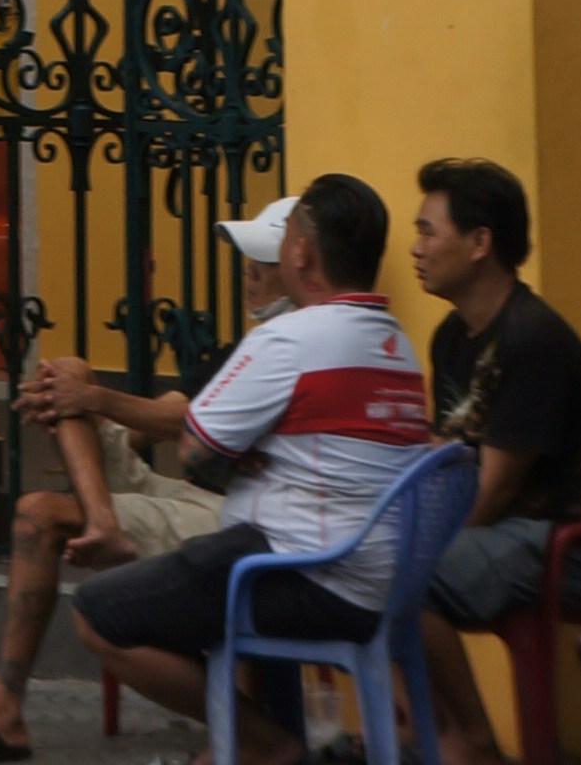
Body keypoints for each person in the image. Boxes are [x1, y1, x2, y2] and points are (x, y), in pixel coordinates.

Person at [68, 176, 435, 765]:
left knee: (99, 614)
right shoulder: (396, 345)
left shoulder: (290, 338)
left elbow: (193, 450)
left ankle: (265, 745)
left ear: (300, 253)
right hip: (380, 576)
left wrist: (247, 450)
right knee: (197, 568)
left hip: (304, 571)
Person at [0, 199, 303, 763]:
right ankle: (101, 518)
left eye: (261, 260)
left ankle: (5, 707)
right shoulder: (242, 347)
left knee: (37, 512)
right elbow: (165, 415)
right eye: (245, 257)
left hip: (236, 516)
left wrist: (97, 401)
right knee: (67, 369)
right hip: (184, 493)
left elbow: (193, 425)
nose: (247, 270)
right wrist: (73, 400)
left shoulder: (294, 346)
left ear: (300, 266)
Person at [407, 154, 581, 765]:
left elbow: (495, 489)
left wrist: (416, 545)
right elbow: (445, 451)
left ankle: (475, 742)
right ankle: (426, 730)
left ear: (479, 243)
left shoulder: (532, 341)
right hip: (501, 534)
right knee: (360, 561)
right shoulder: (453, 337)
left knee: (396, 574)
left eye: (428, 230)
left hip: (564, 543)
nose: (416, 247)